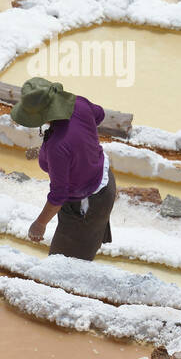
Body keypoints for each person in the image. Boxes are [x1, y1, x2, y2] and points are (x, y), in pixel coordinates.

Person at [11, 77, 117, 260]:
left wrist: (39, 224)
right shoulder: (79, 103)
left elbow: (58, 195)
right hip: (103, 176)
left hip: (87, 202)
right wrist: (80, 144)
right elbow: (99, 115)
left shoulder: (58, 147)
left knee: (64, 262)